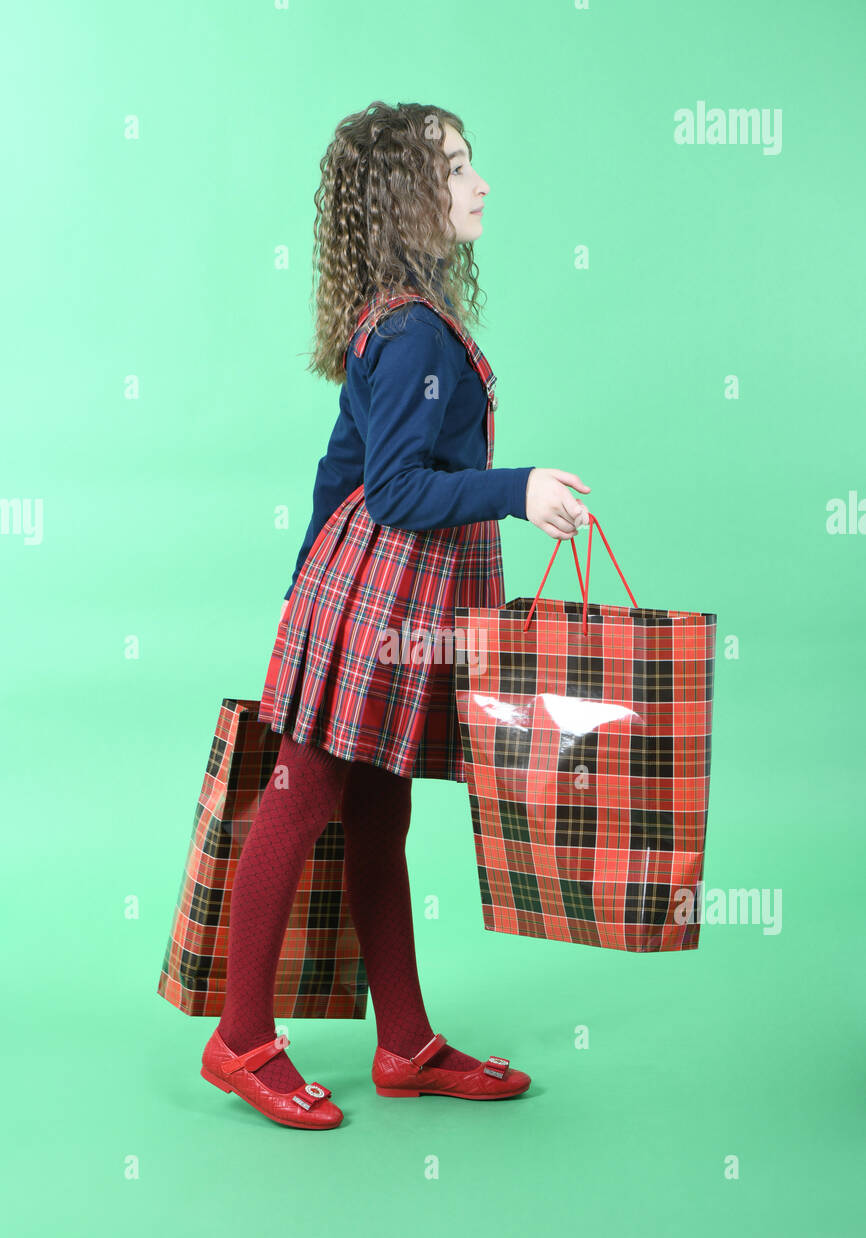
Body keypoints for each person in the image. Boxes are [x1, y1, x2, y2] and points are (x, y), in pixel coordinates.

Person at [200, 101, 592, 1129]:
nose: (480, 182)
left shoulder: (398, 315)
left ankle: (404, 1042)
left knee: (378, 814)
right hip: (382, 604)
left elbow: (338, 465)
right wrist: (518, 488)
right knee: (301, 798)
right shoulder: (411, 326)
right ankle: (239, 1040)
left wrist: (302, 598)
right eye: (458, 166)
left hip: (376, 601)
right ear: (408, 194)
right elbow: (396, 487)